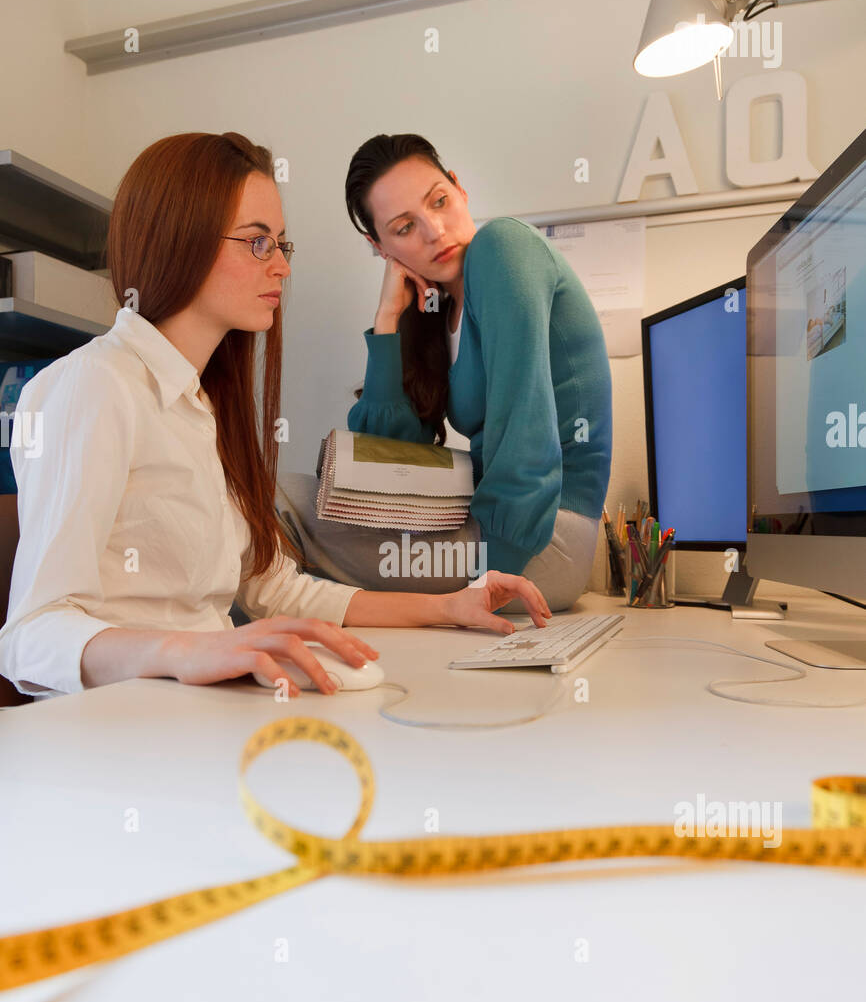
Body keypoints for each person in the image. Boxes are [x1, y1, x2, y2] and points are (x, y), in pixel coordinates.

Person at [0, 132, 550, 702]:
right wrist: (185, 651)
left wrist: (446, 607)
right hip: (121, 733)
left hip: (199, 715)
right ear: (179, 241)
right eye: (258, 243)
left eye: (282, 244)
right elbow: (30, 637)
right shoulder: (93, 386)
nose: (282, 268)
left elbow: (273, 590)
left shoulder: (203, 405)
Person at [275, 132, 612, 612]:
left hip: (542, 543)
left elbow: (526, 441)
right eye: (404, 227)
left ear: (459, 188)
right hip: (497, 530)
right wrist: (388, 320)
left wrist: (488, 583)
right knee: (284, 506)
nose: (434, 230)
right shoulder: (436, 310)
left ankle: (217, 652)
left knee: (275, 503)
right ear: (380, 246)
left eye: (439, 201)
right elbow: (387, 457)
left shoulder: (503, 249)